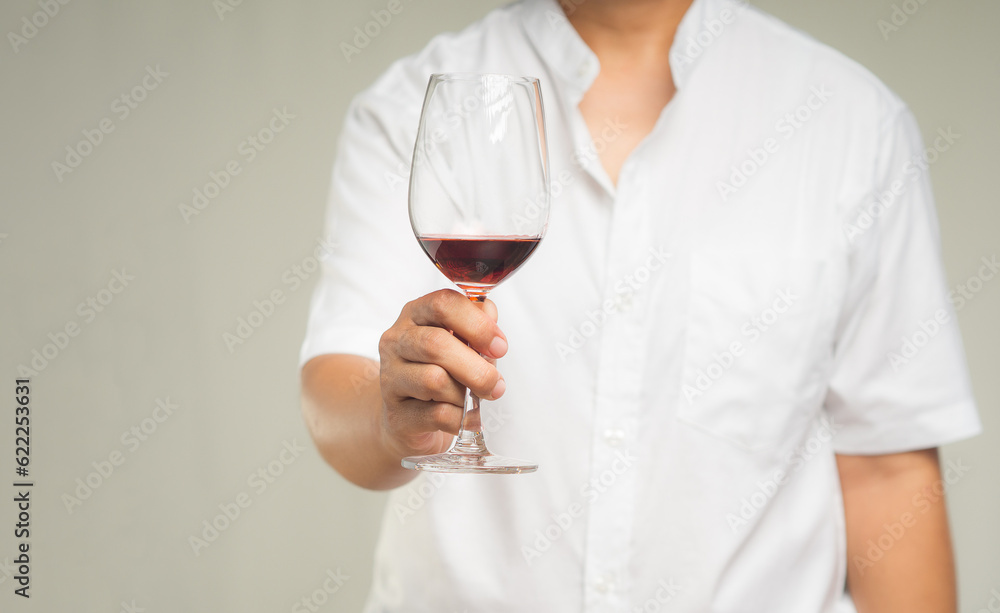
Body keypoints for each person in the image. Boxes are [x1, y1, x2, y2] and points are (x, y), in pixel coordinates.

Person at [299, 0, 981, 610]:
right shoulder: (409, 106)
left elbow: (887, 469)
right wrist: (393, 420)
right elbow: (335, 393)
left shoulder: (851, 123)